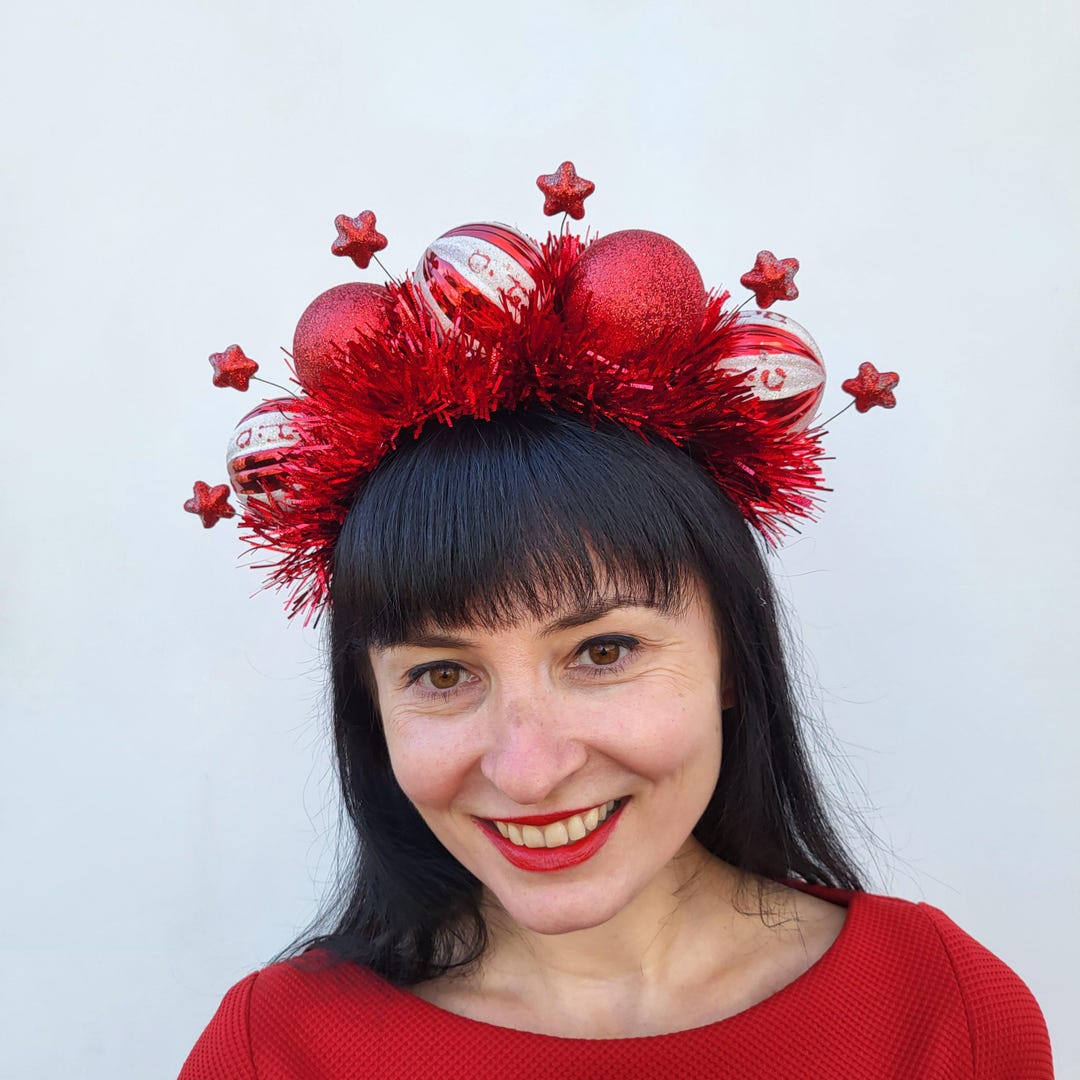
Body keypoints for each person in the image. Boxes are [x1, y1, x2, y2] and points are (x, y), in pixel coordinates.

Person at [180, 170, 1053, 1078]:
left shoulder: (941, 1010)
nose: (528, 769)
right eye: (442, 673)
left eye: (603, 651)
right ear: (371, 704)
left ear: (730, 661)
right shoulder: (276, 1050)